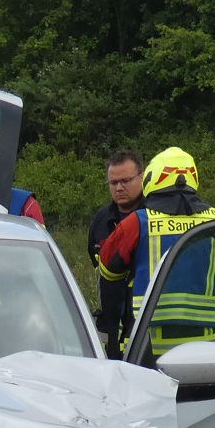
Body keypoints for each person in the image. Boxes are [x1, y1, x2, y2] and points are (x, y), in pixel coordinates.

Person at [95, 146, 215, 360]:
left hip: (146, 345)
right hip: (204, 345)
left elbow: (108, 274)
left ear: (150, 178)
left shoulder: (137, 222)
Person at [87, 149, 144, 359]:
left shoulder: (153, 218)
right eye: (113, 183)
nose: (119, 188)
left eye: (126, 181)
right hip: (111, 324)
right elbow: (94, 260)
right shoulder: (101, 220)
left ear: (142, 177)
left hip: (145, 324)